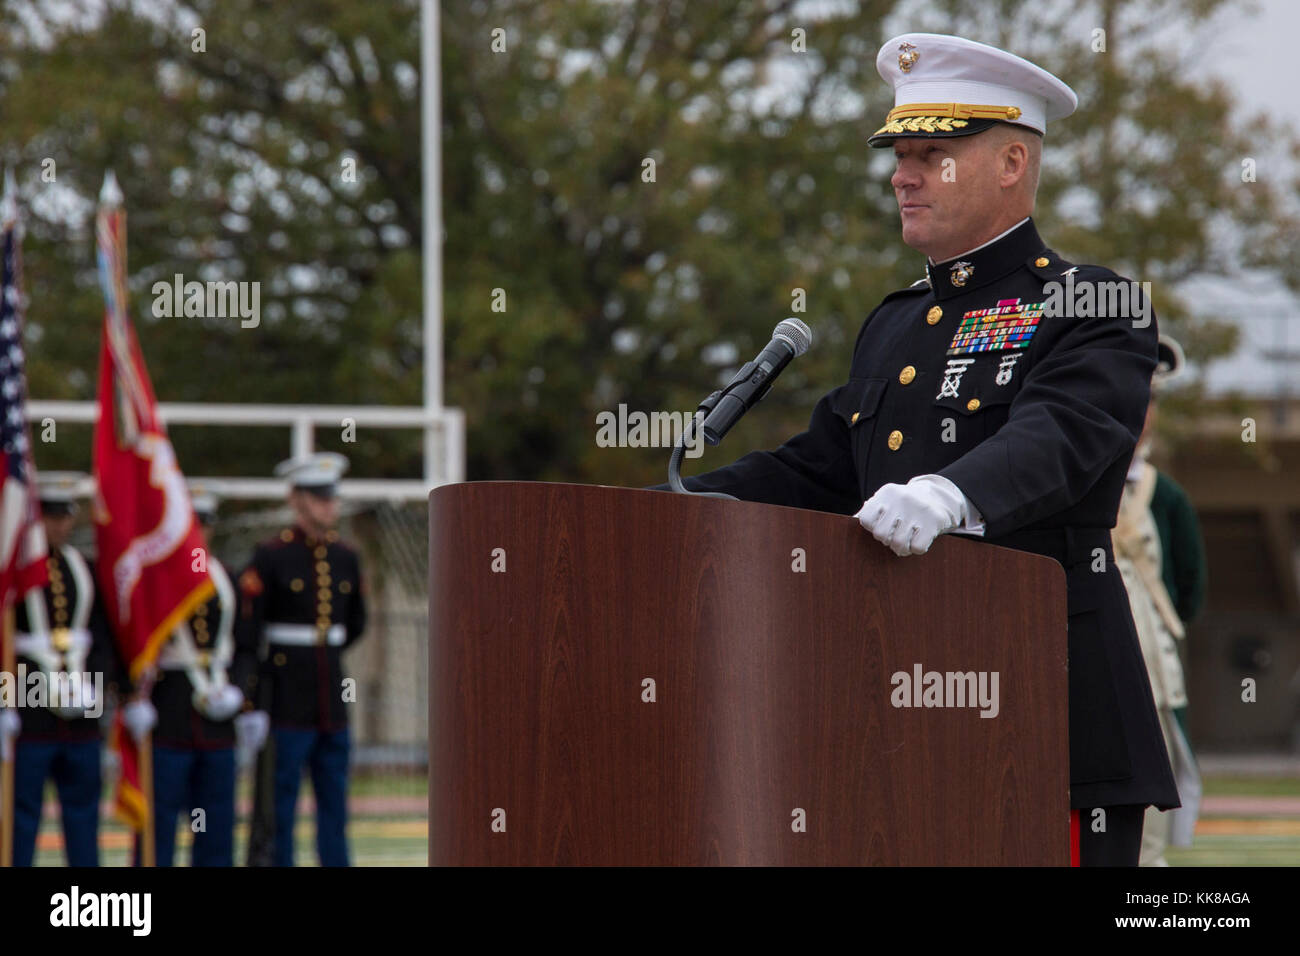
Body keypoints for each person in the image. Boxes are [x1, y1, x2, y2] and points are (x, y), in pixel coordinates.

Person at [661, 33, 1178, 865]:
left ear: (1012, 162)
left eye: (931, 153)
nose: (903, 174)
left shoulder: (1094, 302)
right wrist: (673, 514)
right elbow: (818, 469)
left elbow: (1064, 435)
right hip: (894, 712)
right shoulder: (898, 322)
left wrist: (949, 494)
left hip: (1047, 714)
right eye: (900, 153)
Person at [236, 452, 367, 867]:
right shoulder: (271, 555)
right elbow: (250, 633)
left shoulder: (346, 557)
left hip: (331, 697)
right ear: (296, 500)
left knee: (334, 802)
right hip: (285, 696)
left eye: (332, 497)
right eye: (319, 497)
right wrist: (253, 698)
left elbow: (355, 623)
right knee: (281, 801)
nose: (330, 505)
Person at [1113, 336, 1207, 865]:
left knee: (1148, 821)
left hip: (1152, 673)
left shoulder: (1166, 496)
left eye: (1147, 399)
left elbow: (1189, 590)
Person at [135, 481, 262, 866]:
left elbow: (246, 647)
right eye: (193, 523)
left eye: (205, 524)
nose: (200, 532)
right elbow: (139, 646)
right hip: (170, 714)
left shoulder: (231, 580)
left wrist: (242, 695)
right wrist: (132, 698)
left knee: (216, 826)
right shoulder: (154, 582)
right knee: (159, 823)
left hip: (218, 722)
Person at [4, 472, 114, 866]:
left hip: (81, 717)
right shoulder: (12, 571)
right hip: (29, 714)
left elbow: (100, 638)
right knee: (21, 815)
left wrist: (97, 691)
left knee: (84, 815)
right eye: (51, 515)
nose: (60, 524)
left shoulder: (85, 569)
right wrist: (5, 703)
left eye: (65, 515)